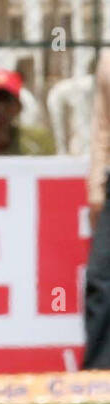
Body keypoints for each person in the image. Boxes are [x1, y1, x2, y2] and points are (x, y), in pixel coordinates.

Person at [82, 50, 110, 369]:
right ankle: (100, 372)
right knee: (100, 276)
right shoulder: (107, 61)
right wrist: (95, 190)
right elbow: (102, 129)